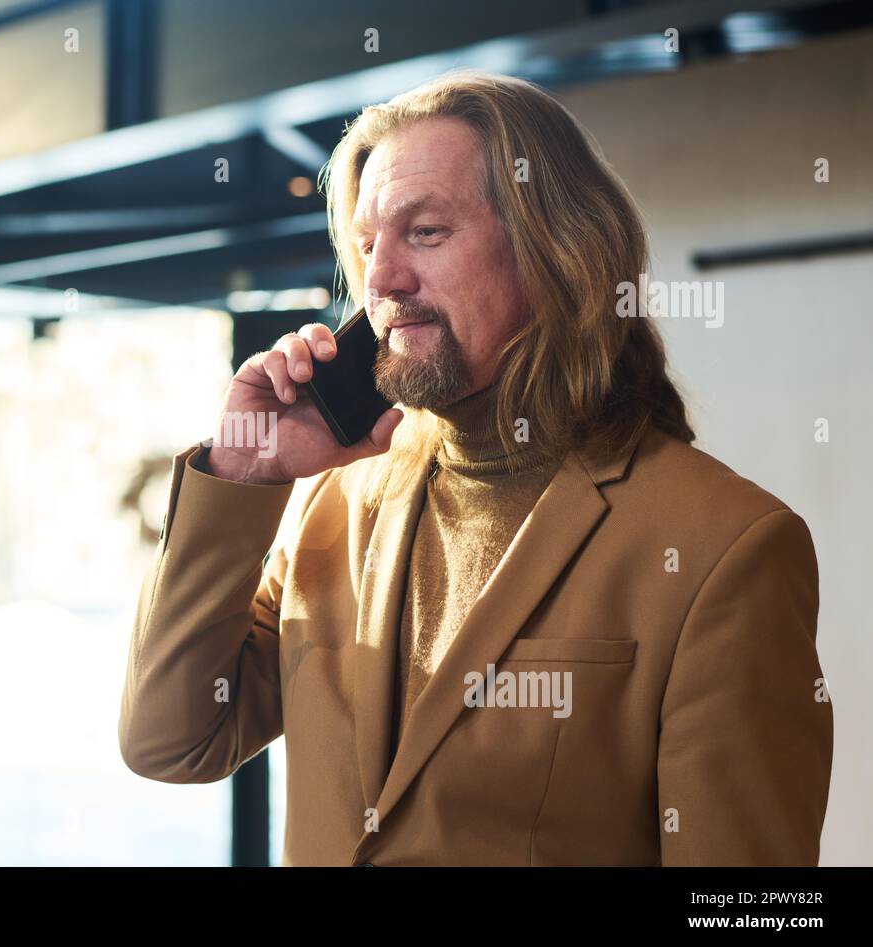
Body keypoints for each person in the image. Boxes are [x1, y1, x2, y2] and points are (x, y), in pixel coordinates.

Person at [118, 69, 833, 866]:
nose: (381, 280)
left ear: (560, 253)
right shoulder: (337, 501)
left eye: (425, 232)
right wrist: (243, 473)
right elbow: (172, 741)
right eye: (366, 245)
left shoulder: (725, 548)